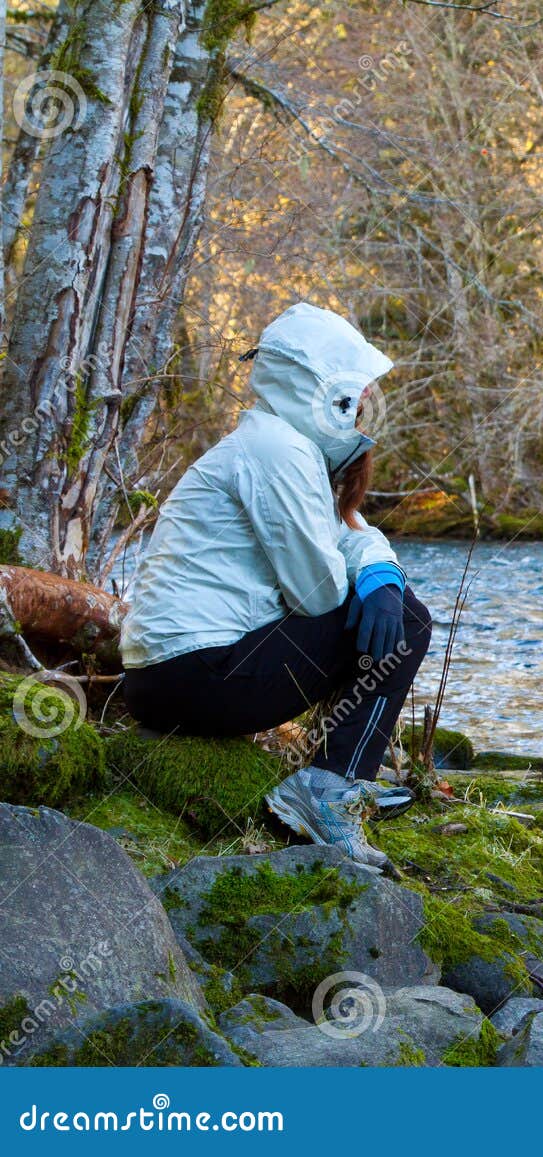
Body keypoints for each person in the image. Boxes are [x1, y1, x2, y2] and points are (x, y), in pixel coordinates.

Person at [120, 303, 431, 870]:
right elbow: (317, 594)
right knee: (407, 621)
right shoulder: (278, 451)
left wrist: (380, 574)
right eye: (354, 394)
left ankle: (334, 781)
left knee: (391, 602)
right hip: (195, 673)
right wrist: (376, 589)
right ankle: (332, 789)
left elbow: (347, 537)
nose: (362, 406)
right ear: (321, 389)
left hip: (171, 674)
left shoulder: (280, 444)